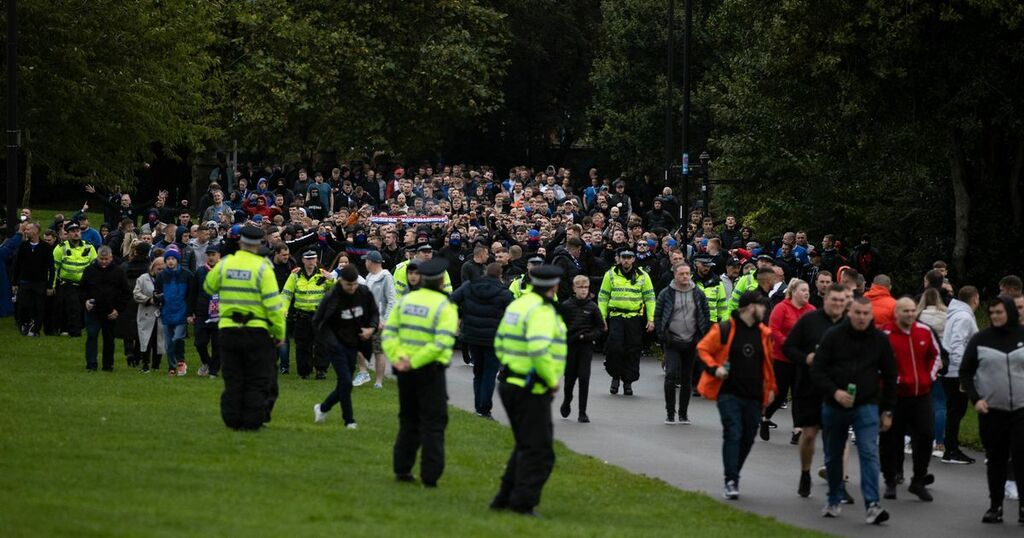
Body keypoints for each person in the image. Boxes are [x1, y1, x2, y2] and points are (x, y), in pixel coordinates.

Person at [811, 297, 897, 524]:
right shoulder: (834, 336)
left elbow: (889, 375)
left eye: (865, 314)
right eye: (857, 313)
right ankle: (833, 497)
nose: (861, 318)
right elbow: (818, 370)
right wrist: (835, 392)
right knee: (833, 453)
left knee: (868, 452)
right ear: (849, 313)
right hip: (834, 404)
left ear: (871, 315)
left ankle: (873, 504)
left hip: (866, 404)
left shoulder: (879, 340)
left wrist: (887, 410)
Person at [491, 264, 568, 516]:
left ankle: (504, 497)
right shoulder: (541, 311)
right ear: (554, 287)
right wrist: (551, 379)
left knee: (525, 443)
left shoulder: (518, 305)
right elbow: (538, 349)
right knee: (540, 451)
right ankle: (523, 503)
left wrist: (511, 365)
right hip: (531, 386)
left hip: (509, 381)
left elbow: (499, 342)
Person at [382, 258, 458, 487]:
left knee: (408, 419)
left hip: (404, 370)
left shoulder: (406, 301)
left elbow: (389, 334)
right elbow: (442, 342)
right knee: (434, 423)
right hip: (430, 371)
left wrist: (399, 358)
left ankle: (402, 469)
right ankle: (430, 475)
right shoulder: (446, 306)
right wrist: (415, 361)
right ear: (442, 280)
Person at [203, 225, 287, 430]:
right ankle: (252, 420)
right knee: (256, 378)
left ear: (240, 242)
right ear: (259, 245)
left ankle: (232, 419)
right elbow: (274, 306)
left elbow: (208, 287)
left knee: (234, 376)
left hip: (228, 329)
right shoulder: (262, 268)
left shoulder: (225, 264)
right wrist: (279, 333)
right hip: (256, 331)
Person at [696, 291, 777, 500]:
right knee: (733, 432)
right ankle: (731, 480)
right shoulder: (724, 329)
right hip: (728, 392)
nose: (765, 312)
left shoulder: (764, 333)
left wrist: (770, 390)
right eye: (762, 307)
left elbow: (768, 365)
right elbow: (703, 349)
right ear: (750, 307)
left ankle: (734, 472)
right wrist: (715, 369)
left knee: (748, 437)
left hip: (754, 395)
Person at [958, 295, 1024, 525]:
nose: (995, 316)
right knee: (996, 459)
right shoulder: (981, 339)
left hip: (1021, 410)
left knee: (1021, 456)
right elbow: (965, 371)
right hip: (992, 411)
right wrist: (975, 399)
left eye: (1000, 312)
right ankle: (995, 506)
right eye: (992, 312)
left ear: (1010, 313)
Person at [784, 283, 848, 498]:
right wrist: (805, 358)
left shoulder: (850, 325)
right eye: (834, 300)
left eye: (842, 301)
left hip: (838, 388)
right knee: (810, 434)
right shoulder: (809, 321)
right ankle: (805, 473)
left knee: (838, 436)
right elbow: (788, 348)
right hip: (809, 385)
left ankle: (838, 482)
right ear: (825, 299)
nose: (838, 304)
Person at [880, 297, 941, 502]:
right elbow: (878, 363)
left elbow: (936, 356)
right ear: (896, 312)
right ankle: (891, 479)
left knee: (925, 435)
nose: (909, 314)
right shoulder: (885, 334)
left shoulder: (924, 331)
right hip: (894, 396)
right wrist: (893, 381)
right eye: (905, 311)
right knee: (891, 438)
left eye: (912, 310)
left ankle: (918, 479)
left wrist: (928, 377)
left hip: (921, 394)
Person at [312, 265, 379, 429]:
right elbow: (317, 322)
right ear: (341, 281)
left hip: (354, 343)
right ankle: (349, 420)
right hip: (335, 344)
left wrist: (371, 328)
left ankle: (322, 408)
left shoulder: (364, 292)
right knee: (347, 382)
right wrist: (330, 341)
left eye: (355, 284)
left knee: (344, 383)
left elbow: (374, 313)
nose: (352, 288)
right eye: (349, 285)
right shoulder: (331, 297)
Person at [449, 262, 513, 419]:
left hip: (472, 335)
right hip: (493, 337)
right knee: (489, 374)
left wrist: (463, 314)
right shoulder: (503, 292)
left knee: (478, 372)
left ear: (485, 272)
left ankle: (479, 406)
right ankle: (484, 409)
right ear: (499, 275)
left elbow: (452, 299)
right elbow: (514, 311)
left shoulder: (470, 286)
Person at [655, 262, 711, 425]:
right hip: (672, 340)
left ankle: (683, 413)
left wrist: (701, 336)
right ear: (675, 275)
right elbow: (658, 315)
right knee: (671, 375)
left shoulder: (698, 294)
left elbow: (705, 315)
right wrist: (663, 336)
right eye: (682, 274)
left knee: (687, 377)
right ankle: (670, 412)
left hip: (691, 341)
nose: (685, 276)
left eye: (687, 273)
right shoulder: (666, 293)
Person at [764, 278, 816, 442]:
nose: (806, 293)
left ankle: (797, 429)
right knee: (779, 395)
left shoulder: (811, 310)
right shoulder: (781, 308)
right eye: (803, 290)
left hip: (801, 359)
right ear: (792, 292)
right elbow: (774, 330)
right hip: (781, 357)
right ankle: (765, 417)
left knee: (799, 394)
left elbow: (814, 332)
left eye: (807, 290)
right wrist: (789, 344)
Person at [598, 248, 655, 396]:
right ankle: (615, 377)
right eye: (624, 257)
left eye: (629, 257)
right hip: (616, 317)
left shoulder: (643, 276)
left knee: (633, 350)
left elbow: (650, 299)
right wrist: (602, 317)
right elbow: (603, 298)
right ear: (619, 258)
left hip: (634, 318)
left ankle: (628, 382)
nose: (626, 260)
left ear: (634, 259)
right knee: (615, 348)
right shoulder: (610, 275)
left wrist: (651, 319)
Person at [940, 285, 980, 465]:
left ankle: (951, 448)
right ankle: (951, 450)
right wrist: (962, 372)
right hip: (956, 372)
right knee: (956, 411)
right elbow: (957, 343)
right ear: (975, 299)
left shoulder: (956, 314)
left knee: (954, 411)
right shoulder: (964, 317)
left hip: (953, 371)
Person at [559, 274, 604, 423]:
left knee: (584, 378)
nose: (583, 290)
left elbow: (600, 327)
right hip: (570, 346)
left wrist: (589, 336)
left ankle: (582, 412)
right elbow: (559, 325)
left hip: (586, 346)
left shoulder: (592, 307)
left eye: (586, 287)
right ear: (574, 288)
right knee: (570, 379)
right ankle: (567, 400)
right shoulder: (566, 306)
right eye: (580, 287)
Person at [282, 251, 333, 379]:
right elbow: (287, 293)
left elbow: (335, 291)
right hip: (302, 315)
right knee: (302, 345)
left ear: (316, 260)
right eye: (308, 259)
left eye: (313, 259)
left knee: (321, 344)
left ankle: (321, 370)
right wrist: (284, 308)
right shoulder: (295, 276)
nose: (311, 262)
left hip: (319, 316)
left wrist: (332, 280)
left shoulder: (322, 275)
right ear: (303, 260)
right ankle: (304, 371)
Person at [79, 246, 130, 372]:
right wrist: (85, 301)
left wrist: (117, 310)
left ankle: (108, 366)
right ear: (97, 257)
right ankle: (91, 364)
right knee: (91, 336)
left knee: (109, 339)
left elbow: (126, 293)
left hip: (110, 312)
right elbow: (81, 290)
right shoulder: (89, 271)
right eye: (101, 259)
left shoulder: (118, 272)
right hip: (93, 311)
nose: (104, 262)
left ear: (111, 257)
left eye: (106, 259)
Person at [52, 222, 97, 337]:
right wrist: (52, 285)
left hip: (84, 284)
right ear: (68, 234)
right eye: (73, 231)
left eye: (78, 231)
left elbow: (95, 266)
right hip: (67, 284)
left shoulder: (89, 247)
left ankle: (76, 328)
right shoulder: (61, 248)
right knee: (73, 308)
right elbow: (54, 268)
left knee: (82, 308)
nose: (76, 233)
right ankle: (74, 331)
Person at [155, 249, 194, 376]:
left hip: (181, 312)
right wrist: (158, 297)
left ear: (177, 260)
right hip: (167, 312)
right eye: (168, 259)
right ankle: (171, 367)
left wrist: (190, 312)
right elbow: (157, 291)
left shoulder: (187, 275)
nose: (170, 261)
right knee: (169, 343)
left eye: (173, 259)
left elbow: (191, 294)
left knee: (177, 338)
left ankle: (181, 361)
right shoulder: (161, 276)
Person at [362, 250, 396, 388]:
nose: (365, 263)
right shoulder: (369, 276)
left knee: (378, 351)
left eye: (366, 260)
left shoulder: (385, 277)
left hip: (379, 320)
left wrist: (385, 321)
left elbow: (392, 300)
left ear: (371, 262)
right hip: (366, 319)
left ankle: (379, 381)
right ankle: (364, 373)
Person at [12, 221, 52, 335]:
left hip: (40, 283)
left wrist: (49, 285)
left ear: (35, 231)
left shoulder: (45, 247)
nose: (25, 231)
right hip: (25, 282)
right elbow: (17, 265)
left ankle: (36, 330)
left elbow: (51, 267)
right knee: (24, 306)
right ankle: (24, 325)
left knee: (39, 307)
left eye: (28, 229)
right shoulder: (23, 246)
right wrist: (14, 283)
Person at [193, 245, 222, 378]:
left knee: (217, 345)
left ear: (219, 256)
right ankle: (207, 362)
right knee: (200, 342)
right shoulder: (200, 271)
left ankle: (213, 371)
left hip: (220, 314)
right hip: (202, 312)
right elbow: (193, 292)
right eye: (209, 255)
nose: (211, 257)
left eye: (213, 254)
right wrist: (190, 312)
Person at [133, 258, 166, 373]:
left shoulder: (167, 279)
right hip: (146, 312)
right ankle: (145, 364)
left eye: (163, 269)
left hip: (161, 313)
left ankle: (156, 365)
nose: (161, 271)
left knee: (159, 340)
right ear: (153, 267)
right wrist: (149, 300)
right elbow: (136, 294)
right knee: (146, 339)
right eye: (159, 268)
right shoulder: (143, 278)